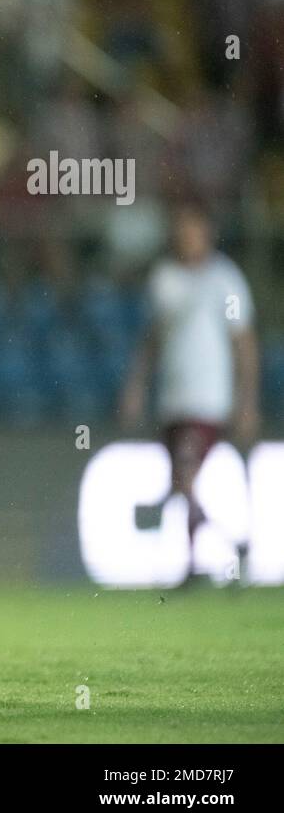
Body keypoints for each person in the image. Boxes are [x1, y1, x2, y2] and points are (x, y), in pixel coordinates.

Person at [120, 199, 259, 584]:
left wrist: (247, 401)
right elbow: (153, 338)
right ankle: (201, 560)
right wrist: (137, 385)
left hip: (209, 398)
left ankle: (221, 550)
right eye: (181, 230)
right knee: (183, 483)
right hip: (172, 398)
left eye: (193, 230)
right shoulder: (164, 277)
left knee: (184, 473)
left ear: (206, 234)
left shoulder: (225, 280)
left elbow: (243, 342)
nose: (186, 237)